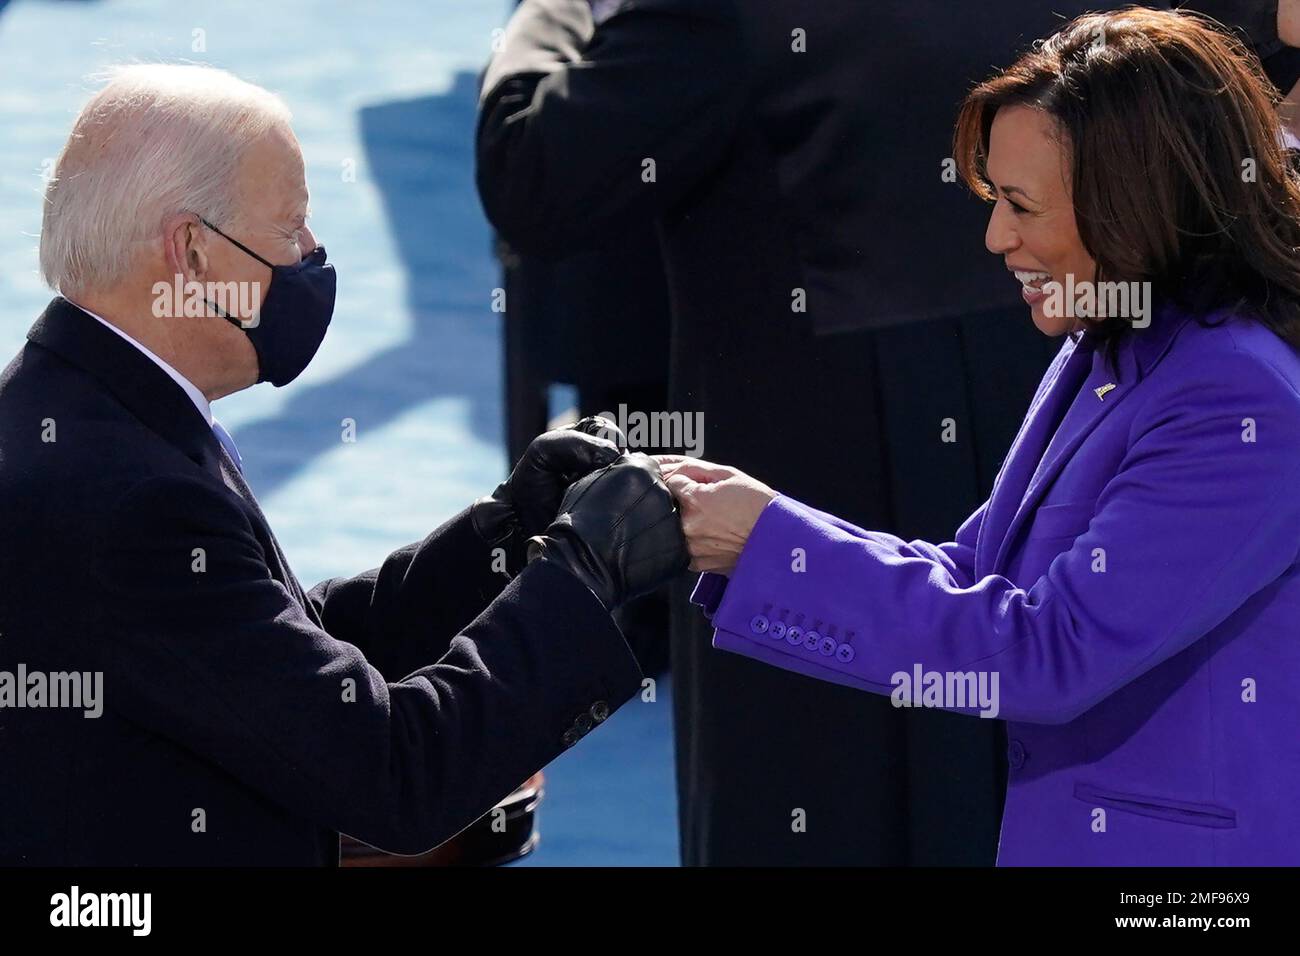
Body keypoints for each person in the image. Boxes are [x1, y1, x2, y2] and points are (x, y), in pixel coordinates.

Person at [476, 0, 1121, 865]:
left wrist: (553, 14)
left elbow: (538, 175)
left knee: (810, 796)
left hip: (803, 473)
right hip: (1063, 422)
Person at [0, 64, 685, 866]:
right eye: (291, 227)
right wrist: (581, 575)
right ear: (190, 254)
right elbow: (395, 775)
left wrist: (502, 536)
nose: (313, 255)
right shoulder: (131, 501)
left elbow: (274, 647)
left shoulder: (77, 406)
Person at [659, 8, 1300, 865]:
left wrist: (769, 545)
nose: (996, 237)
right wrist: (763, 532)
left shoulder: (1236, 397)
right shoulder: (1112, 337)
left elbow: (1050, 651)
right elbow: (981, 575)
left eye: (1022, 206)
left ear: (1132, 202)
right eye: (994, 199)